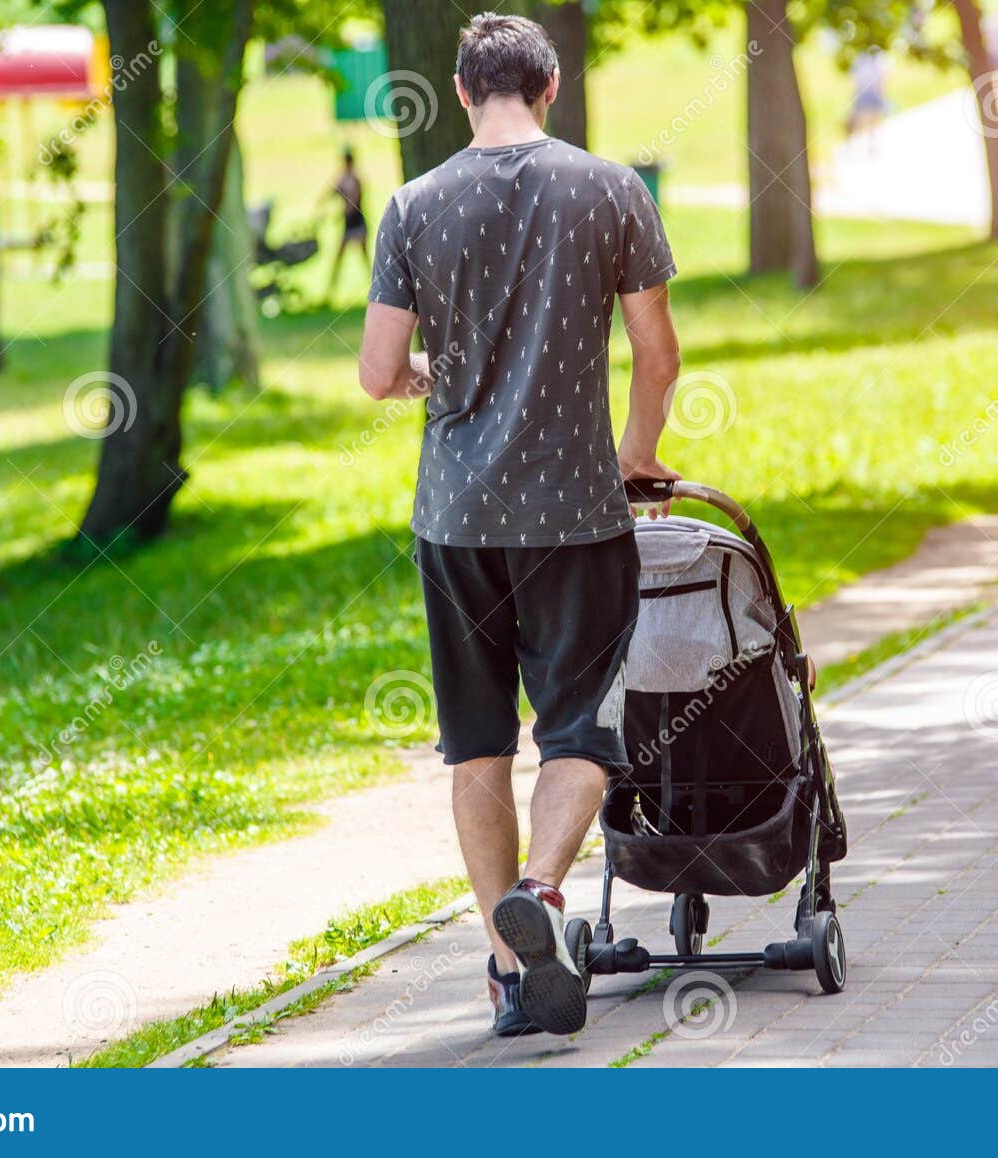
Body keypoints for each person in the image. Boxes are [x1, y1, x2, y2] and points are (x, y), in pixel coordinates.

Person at [358, 13, 682, 1038]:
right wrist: (636, 454)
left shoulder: (413, 205)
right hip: (576, 514)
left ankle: (508, 974)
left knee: (475, 746)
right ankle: (541, 892)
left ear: (460, 93)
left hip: (457, 522)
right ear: (549, 87)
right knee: (580, 728)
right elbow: (657, 353)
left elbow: (376, 374)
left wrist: (427, 377)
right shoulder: (609, 189)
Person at [322, 147, 367, 301]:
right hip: (349, 224)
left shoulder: (355, 179)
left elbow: (353, 202)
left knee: (364, 258)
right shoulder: (343, 178)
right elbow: (331, 191)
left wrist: (338, 215)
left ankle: (375, 288)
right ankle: (330, 292)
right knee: (340, 259)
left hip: (357, 223)